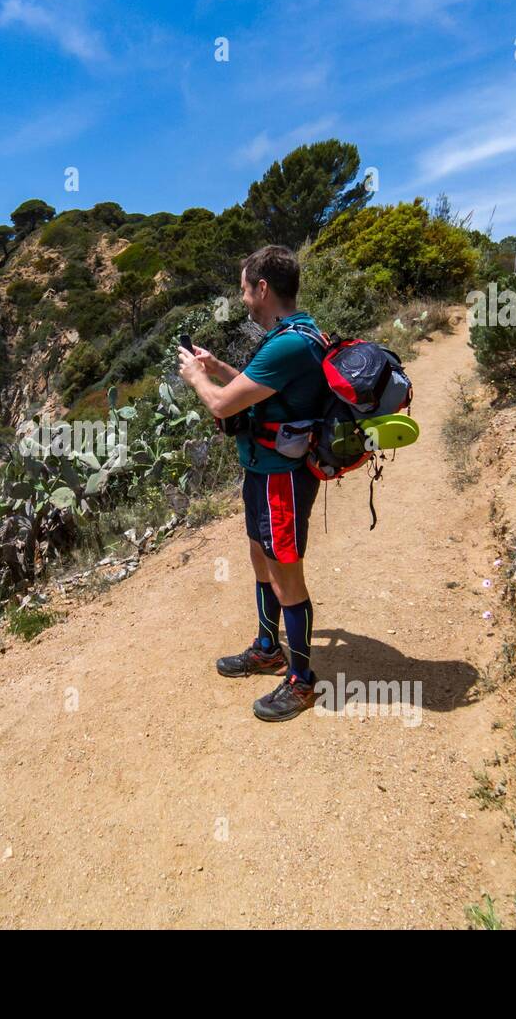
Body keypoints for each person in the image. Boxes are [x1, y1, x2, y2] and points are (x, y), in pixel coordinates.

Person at [177, 245, 329, 723]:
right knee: (261, 558)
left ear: (263, 288)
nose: (242, 298)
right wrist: (218, 367)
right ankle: (268, 647)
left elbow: (223, 405)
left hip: (280, 479)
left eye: (244, 289)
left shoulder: (289, 343)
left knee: (287, 574)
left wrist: (196, 379)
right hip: (263, 473)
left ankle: (303, 682)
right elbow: (253, 388)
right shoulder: (292, 335)